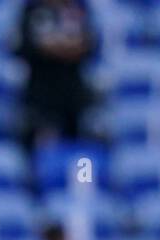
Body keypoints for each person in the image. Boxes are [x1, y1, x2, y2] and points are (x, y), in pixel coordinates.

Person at [14, 0, 97, 155]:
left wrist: (55, 46)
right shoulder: (31, 10)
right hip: (41, 95)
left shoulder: (79, 8)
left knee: (76, 148)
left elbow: (91, 45)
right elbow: (23, 48)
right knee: (44, 146)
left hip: (73, 96)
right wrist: (61, 47)